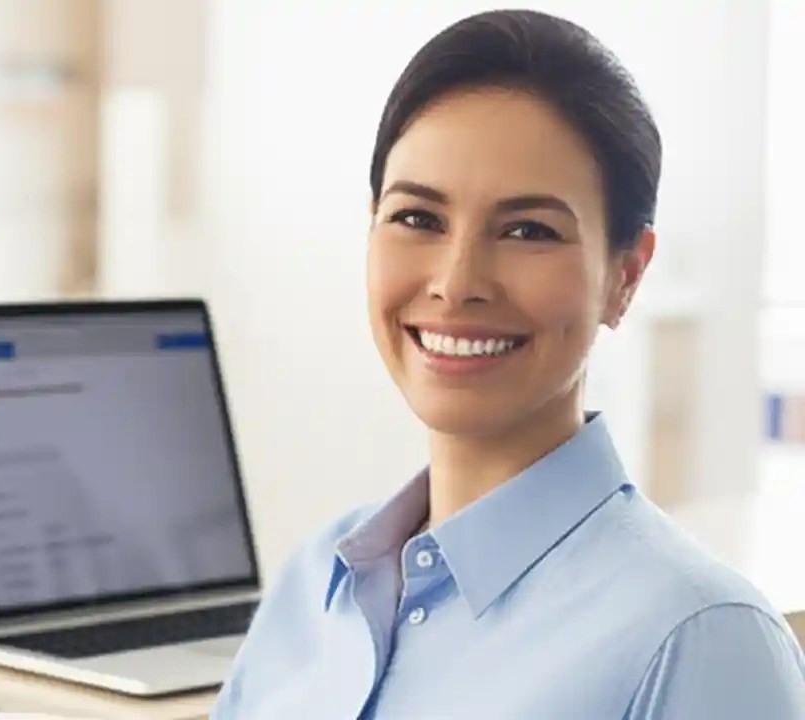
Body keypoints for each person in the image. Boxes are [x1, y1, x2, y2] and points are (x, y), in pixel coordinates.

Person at [213, 9, 805, 719]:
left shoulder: (698, 639)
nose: (458, 281)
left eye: (529, 230)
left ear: (625, 275)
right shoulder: (314, 583)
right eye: (418, 218)